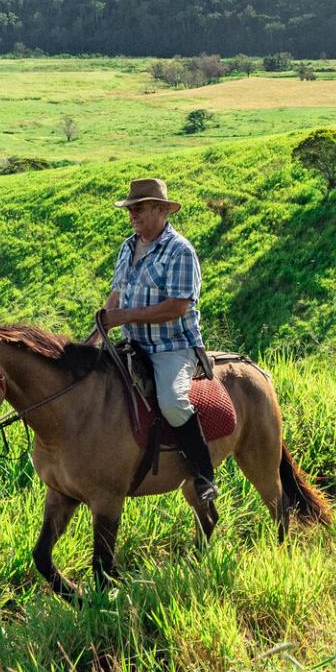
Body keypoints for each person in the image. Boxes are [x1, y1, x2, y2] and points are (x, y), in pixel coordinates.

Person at [86, 177, 218, 504]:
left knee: (172, 402)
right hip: (133, 344)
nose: (133, 215)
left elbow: (177, 307)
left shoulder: (180, 251)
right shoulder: (128, 247)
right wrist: (95, 336)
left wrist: (126, 317)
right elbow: (117, 295)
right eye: (130, 209)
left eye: (139, 208)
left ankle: (203, 476)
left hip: (171, 346)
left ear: (161, 210)